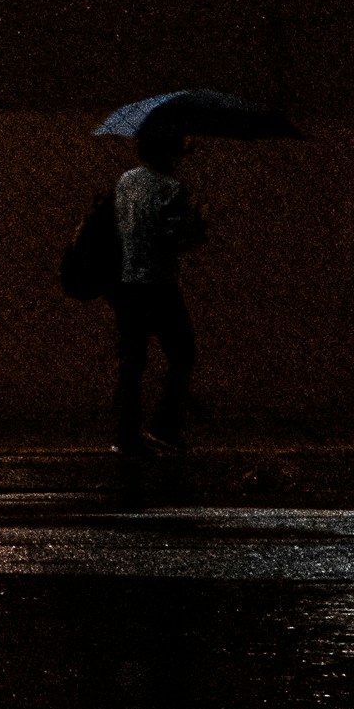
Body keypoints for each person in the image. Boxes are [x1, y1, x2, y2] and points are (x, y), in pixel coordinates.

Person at [111, 121, 205, 458]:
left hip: (127, 282)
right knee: (182, 353)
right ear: (169, 151)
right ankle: (163, 423)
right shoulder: (172, 189)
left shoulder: (126, 181)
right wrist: (197, 225)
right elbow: (176, 239)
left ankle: (126, 432)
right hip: (159, 284)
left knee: (132, 360)